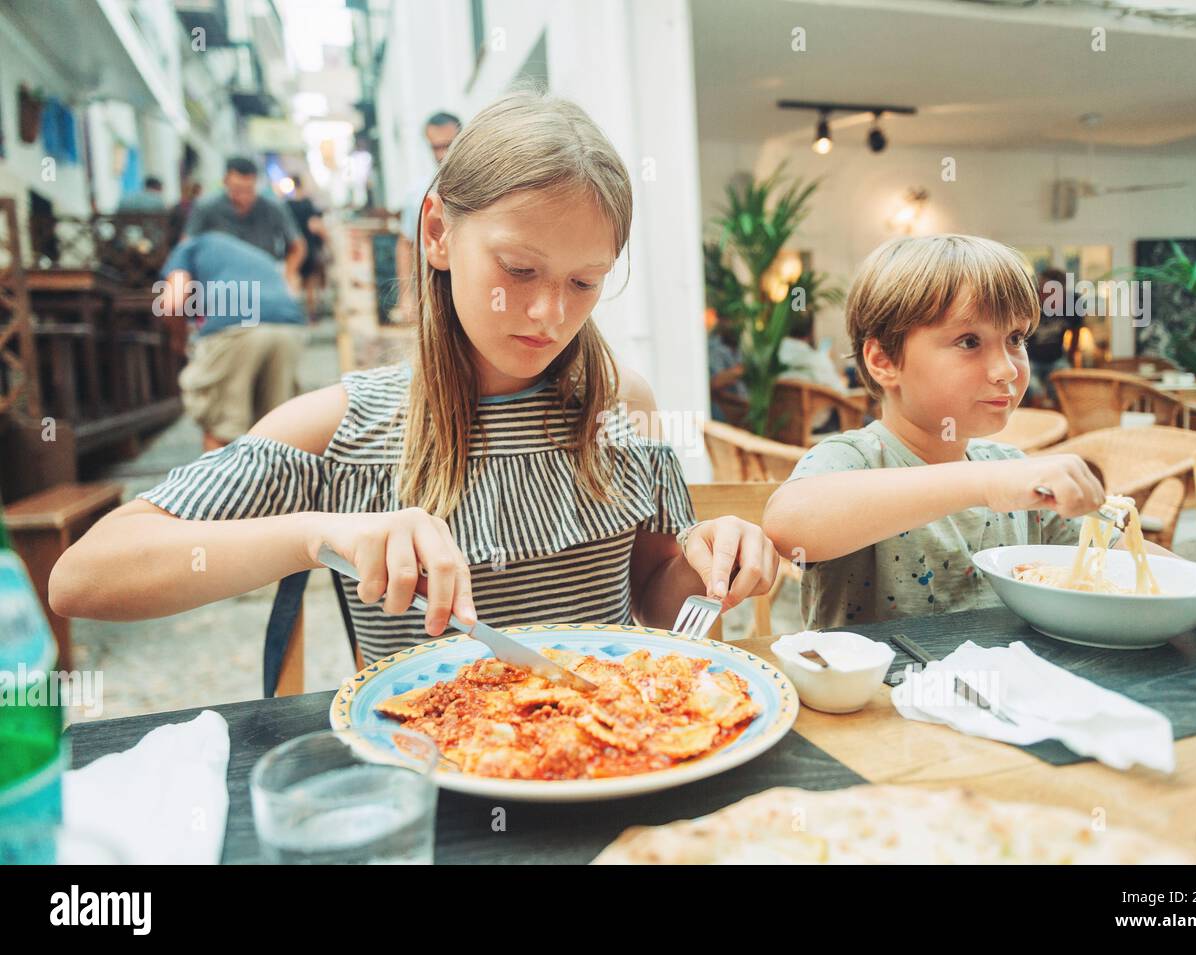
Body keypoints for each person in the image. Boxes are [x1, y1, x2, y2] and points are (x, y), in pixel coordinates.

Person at [50, 91, 781, 667]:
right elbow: (83, 577)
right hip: (432, 778)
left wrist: (711, 566)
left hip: (611, 753)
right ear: (437, 232)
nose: (549, 313)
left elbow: (654, 605)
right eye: (519, 269)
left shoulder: (622, 405)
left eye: (584, 281)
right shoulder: (342, 427)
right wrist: (319, 533)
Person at [763, 234, 1179, 631]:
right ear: (884, 360)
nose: (1008, 369)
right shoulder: (855, 459)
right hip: (880, 703)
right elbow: (790, 522)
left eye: (1015, 338)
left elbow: (1124, 559)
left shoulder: (1010, 470)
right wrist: (985, 483)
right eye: (968, 341)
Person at [155, 231, 308, 453]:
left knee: (222, 431)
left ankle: (224, 487)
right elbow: (290, 287)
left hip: (236, 327)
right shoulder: (252, 254)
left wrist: (178, 341)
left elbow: (173, 301)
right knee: (277, 434)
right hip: (289, 326)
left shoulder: (188, 248)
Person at [184, 157, 304, 288]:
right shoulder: (206, 207)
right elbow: (186, 247)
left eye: (249, 190)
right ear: (226, 182)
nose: (243, 197)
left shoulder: (273, 208)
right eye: (237, 189)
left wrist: (286, 277)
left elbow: (297, 246)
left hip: (262, 283)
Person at [395, 111, 461, 320]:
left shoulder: (484, 188)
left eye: (448, 145)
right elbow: (405, 244)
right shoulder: (418, 194)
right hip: (434, 290)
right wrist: (406, 296)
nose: (442, 154)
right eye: (436, 147)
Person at [1025, 267, 1083, 404]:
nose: (1041, 293)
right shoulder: (1030, 302)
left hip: (1057, 358)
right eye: (1040, 288)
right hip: (1031, 359)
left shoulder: (1073, 302)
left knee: (1064, 391)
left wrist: (1072, 356)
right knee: (1034, 390)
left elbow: (1076, 331)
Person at [285, 175, 327, 320]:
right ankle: (311, 313)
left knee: (295, 280)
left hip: (292, 248)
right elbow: (315, 226)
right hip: (308, 245)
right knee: (310, 282)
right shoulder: (307, 204)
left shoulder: (287, 205)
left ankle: (295, 313)